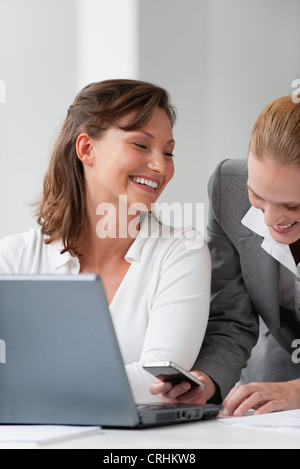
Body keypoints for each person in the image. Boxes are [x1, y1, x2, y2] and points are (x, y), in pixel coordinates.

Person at [0, 79, 211, 403]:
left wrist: (30, 381)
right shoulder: (15, 258)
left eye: (168, 152)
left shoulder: (181, 252)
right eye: (141, 145)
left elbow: (159, 383)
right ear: (87, 148)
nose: (161, 166)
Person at [150, 94, 300, 414]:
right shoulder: (227, 187)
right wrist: (207, 380)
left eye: (292, 205)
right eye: (258, 196)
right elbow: (232, 316)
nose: (271, 220)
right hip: (271, 388)